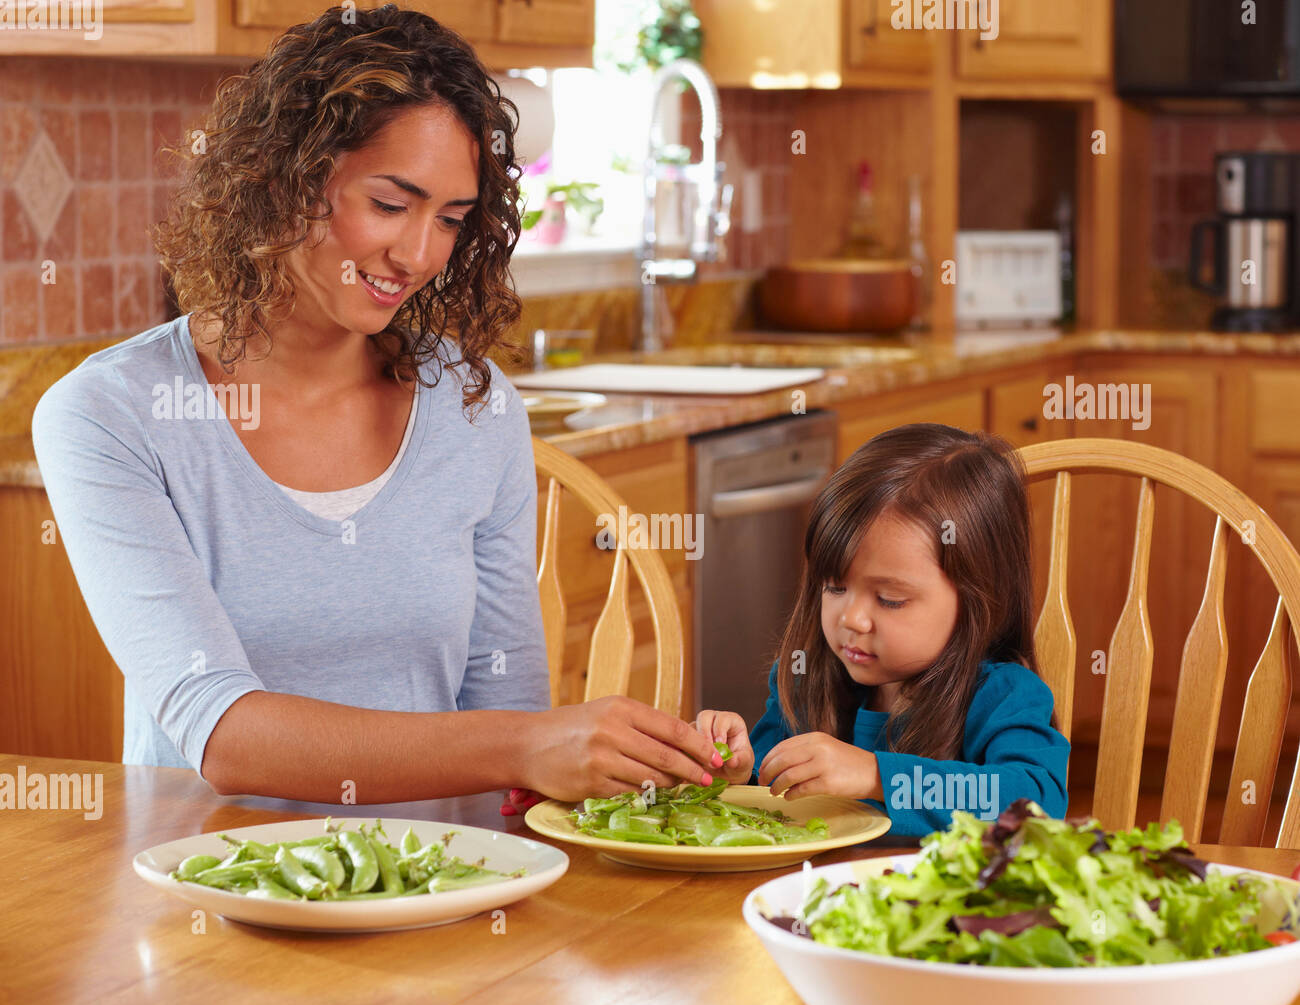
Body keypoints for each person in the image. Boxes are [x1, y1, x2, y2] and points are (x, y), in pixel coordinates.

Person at [30, 6, 722, 806]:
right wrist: (529, 742)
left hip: (451, 880)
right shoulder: (109, 416)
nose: (420, 254)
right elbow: (220, 730)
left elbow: (509, 711)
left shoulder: (473, 405)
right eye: (391, 205)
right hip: (214, 895)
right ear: (282, 177)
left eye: (452, 220)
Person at [693, 423, 1069, 837]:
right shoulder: (805, 681)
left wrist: (877, 775)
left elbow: (1034, 804)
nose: (851, 618)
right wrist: (741, 771)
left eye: (890, 599)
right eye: (835, 587)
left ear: (977, 601)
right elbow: (772, 798)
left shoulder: (1003, 697)